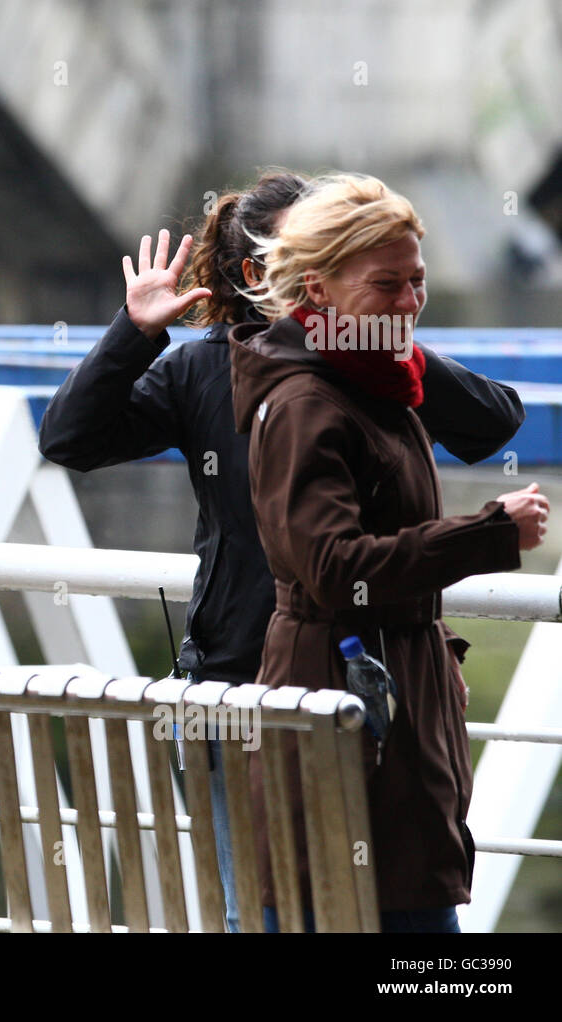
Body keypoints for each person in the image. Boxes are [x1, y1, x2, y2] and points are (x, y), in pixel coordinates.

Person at [38, 171, 526, 931]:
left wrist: (383, 325)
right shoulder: (211, 368)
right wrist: (134, 334)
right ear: (275, 272)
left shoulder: (374, 371)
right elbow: (69, 436)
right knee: (272, 914)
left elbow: (495, 422)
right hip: (248, 689)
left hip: (368, 687)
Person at [228, 172, 549, 932]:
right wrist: (489, 533)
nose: (410, 303)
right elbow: (337, 568)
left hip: (388, 702)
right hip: (339, 720)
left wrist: (435, 651)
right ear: (319, 289)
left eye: (419, 283)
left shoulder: (377, 378)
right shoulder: (307, 402)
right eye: (387, 285)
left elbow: (493, 417)